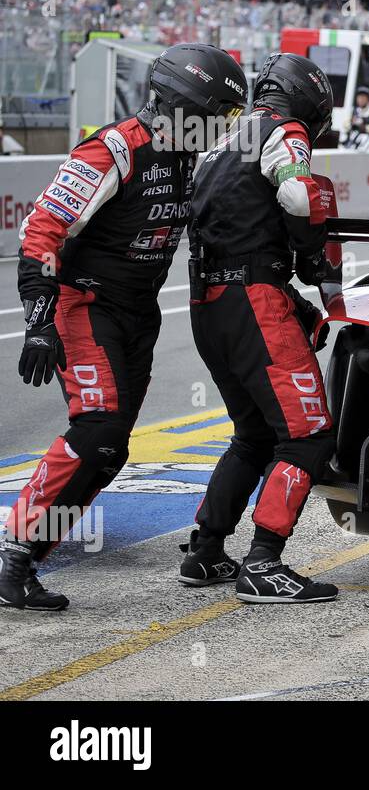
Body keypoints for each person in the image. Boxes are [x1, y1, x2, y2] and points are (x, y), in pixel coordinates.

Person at [2, 44, 246, 611]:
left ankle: (29, 555)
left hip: (139, 315)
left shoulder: (189, 157)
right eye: (218, 116)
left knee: (110, 452)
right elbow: (41, 235)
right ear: (184, 106)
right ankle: (13, 551)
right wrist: (39, 323)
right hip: (84, 306)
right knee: (97, 430)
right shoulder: (111, 151)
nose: (221, 130)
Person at [181, 52, 339, 604]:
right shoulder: (284, 130)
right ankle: (264, 561)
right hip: (255, 301)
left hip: (206, 303)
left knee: (252, 433)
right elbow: (298, 194)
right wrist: (311, 249)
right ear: (306, 103)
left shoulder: (219, 142)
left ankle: (205, 552)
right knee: (309, 435)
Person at [346, 85, 369, 149]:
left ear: (368, 99)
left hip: (367, 144)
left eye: (363, 97)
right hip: (352, 142)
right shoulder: (353, 111)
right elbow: (345, 125)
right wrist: (351, 123)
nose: (361, 99)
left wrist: (364, 128)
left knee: (364, 138)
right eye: (359, 97)